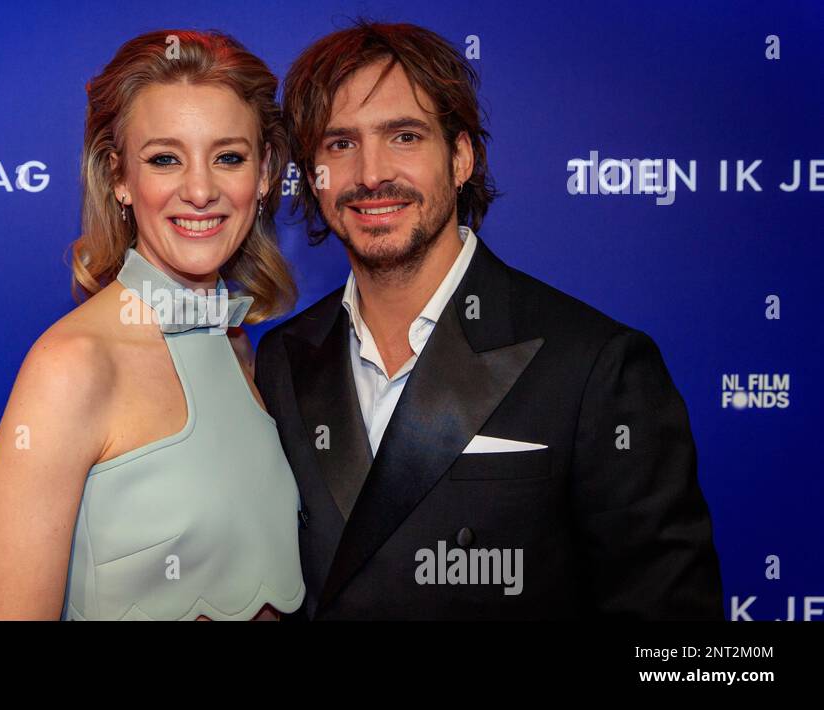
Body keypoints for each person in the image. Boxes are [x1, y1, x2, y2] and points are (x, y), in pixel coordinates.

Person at [255, 20, 723, 619]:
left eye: (404, 136)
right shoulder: (283, 359)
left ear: (460, 158)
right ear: (312, 176)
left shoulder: (595, 367)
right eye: (340, 144)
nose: (370, 174)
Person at [0, 29, 304, 620]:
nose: (200, 190)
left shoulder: (234, 344)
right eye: (164, 159)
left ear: (264, 173)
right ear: (120, 178)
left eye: (228, 157)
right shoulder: (73, 365)